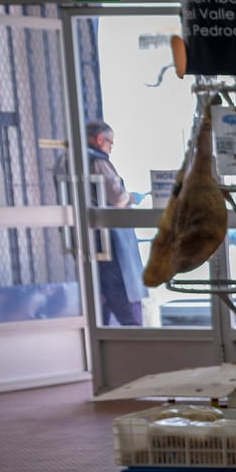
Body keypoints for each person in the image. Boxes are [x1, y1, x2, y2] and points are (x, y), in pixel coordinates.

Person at [84, 121, 146, 326]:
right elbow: (117, 197)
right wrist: (132, 198)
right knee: (126, 307)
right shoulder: (97, 160)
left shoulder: (68, 160)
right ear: (100, 139)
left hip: (87, 243)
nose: (110, 149)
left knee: (98, 308)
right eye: (110, 144)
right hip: (109, 243)